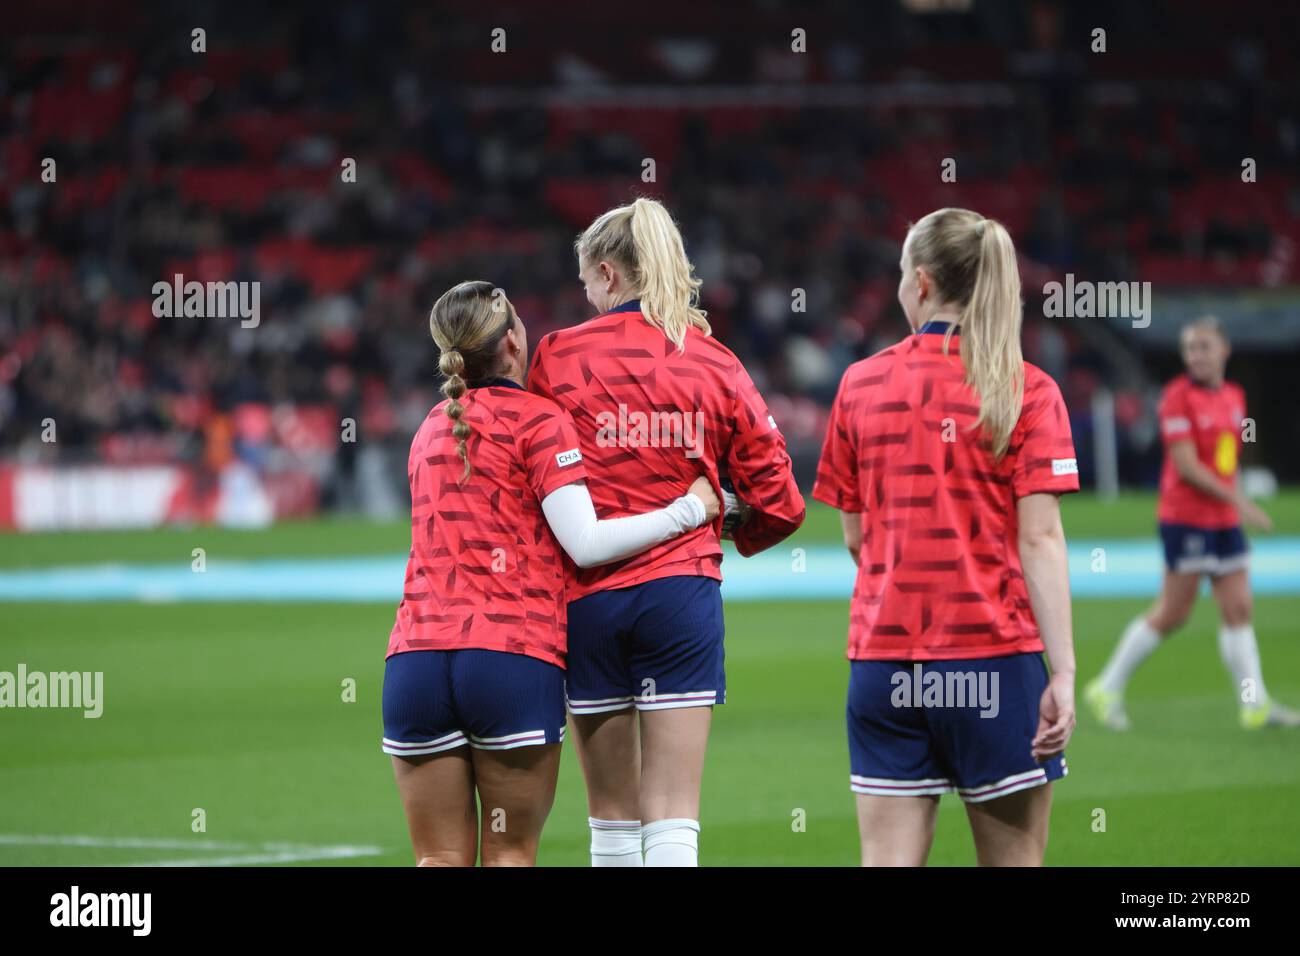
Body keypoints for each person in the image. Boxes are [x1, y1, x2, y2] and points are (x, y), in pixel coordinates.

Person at [382, 280, 719, 866]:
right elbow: (585, 544)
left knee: (436, 858)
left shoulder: (429, 430)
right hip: (508, 659)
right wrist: (689, 510)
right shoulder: (540, 421)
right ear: (513, 340)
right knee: (510, 852)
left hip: (414, 665)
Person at [528, 198, 805, 866]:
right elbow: (782, 498)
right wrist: (725, 516)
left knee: (613, 819)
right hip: (681, 593)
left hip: (587, 596)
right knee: (675, 813)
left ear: (608, 274)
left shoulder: (556, 357)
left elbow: (527, 474)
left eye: (587, 283)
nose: (585, 296)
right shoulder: (711, 359)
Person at [814, 208, 1078, 866]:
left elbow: (856, 537)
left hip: (886, 665)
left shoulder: (859, 385)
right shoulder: (1027, 390)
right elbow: (1039, 540)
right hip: (993, 659)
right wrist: (1065, 672)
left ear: (923, 283)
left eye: (903, 274)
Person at [1085, 316, 1299, 730]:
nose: (1197, 355)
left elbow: (1227, 458)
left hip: (1222, 519)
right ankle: (1105, 687)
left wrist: (1235, 498)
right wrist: (1241, 499)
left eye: (1205, 346)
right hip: (1186, 519)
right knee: (1174, 612)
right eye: (1191, 348)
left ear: (1224, 350)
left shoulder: (1236, 397)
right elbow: (1185, 466)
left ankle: (1255, 703)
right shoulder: (1176, 399)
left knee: (1239, 608)